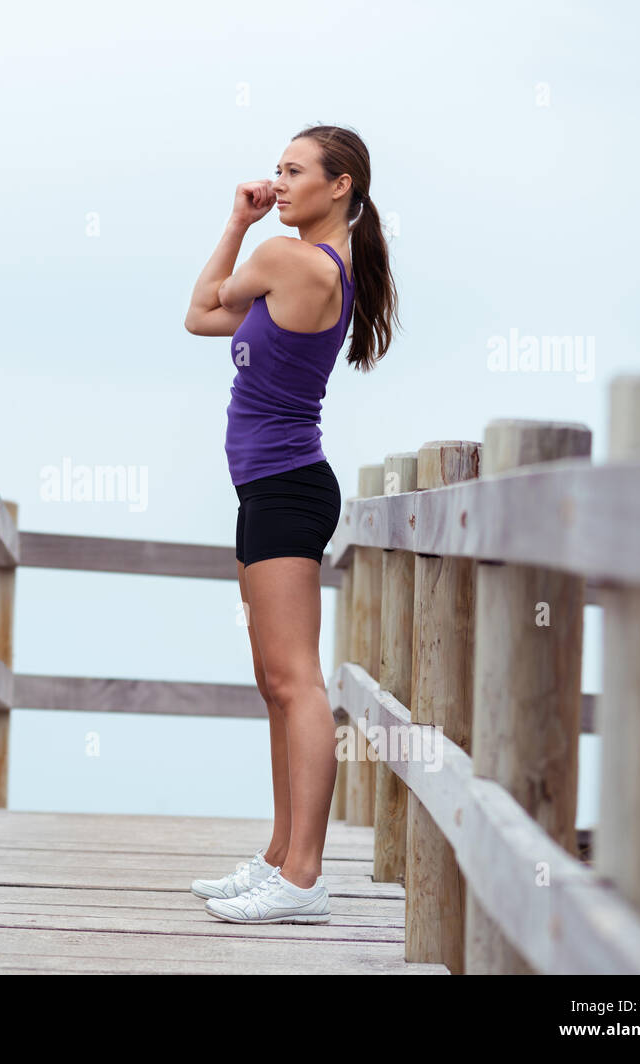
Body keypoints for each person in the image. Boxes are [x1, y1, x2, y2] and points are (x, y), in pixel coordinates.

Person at [183, 124, 398, 924]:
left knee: (296, 680)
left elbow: (200, 306)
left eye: (294, 171)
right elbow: (207, 320)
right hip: (272, 491)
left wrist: (240, 224)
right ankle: (279, 857)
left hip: (285, 489)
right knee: (276, 683)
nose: (277, 184)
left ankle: (304, 878)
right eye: (275, 171)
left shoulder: (289, 261)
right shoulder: (314, 266)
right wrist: (244, 224)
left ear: (339, 185)